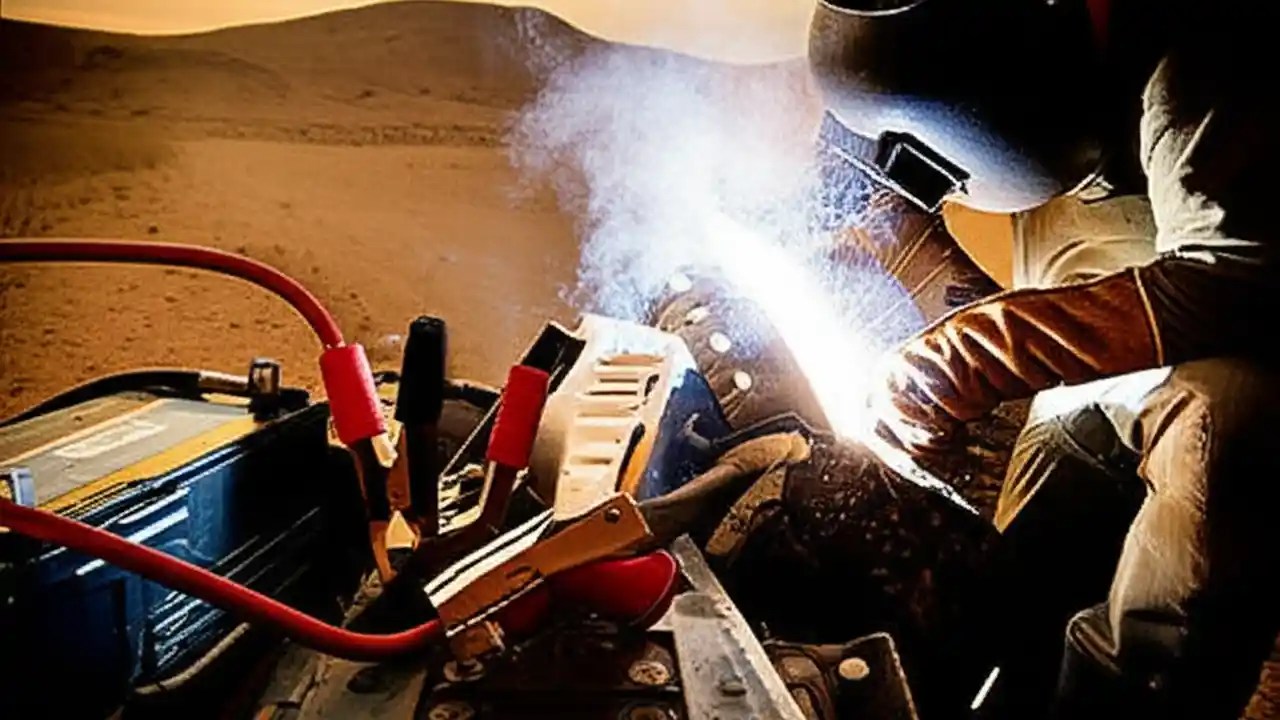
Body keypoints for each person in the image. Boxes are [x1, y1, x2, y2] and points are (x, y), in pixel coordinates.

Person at [808, 0, 1280, 717]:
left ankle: (1126, 697)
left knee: (1220, 421)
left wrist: (986, 349)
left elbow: (1236, 281)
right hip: (1146, 234)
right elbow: (885, 111)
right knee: (1048, 495)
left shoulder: (1198, 63)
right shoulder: (924, 38)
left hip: (1257, 283)